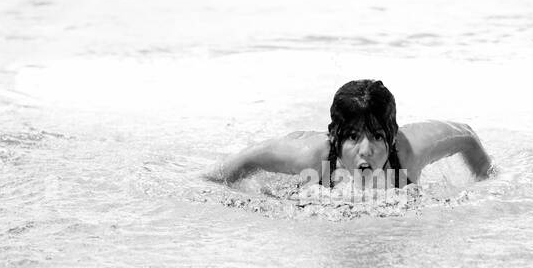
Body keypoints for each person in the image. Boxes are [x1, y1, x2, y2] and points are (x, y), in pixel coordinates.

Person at [205, 78, 494, 190]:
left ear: (392, 137)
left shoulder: (410, 152)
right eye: (354, 137)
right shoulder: (308, 156)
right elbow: (229, 169)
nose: (366, 149)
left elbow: (466, 135)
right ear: (335, 138)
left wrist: (488, 179)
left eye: (377, 137)